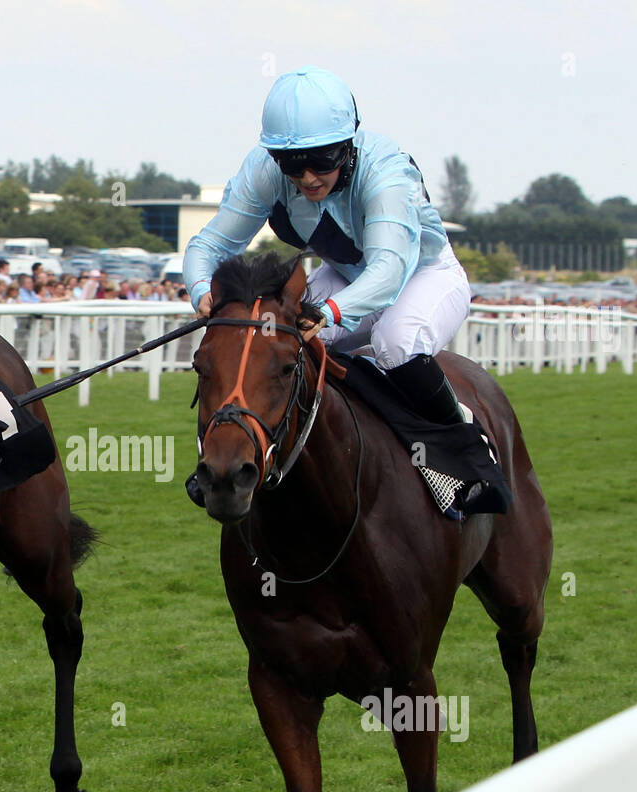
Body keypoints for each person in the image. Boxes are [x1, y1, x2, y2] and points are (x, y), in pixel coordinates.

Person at [183, 65, 495, 515]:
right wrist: (200, 290)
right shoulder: (264, 170)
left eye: (323, 159)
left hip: (424, 276)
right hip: (347, 277)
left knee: (395, 343)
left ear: (348, 146)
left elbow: (388, 270)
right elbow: (209, 244)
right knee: (275, 346)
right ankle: (244, 459)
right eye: (294, 163)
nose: (308, 176)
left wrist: (328, 311)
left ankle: (465, 454)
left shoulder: (385, 172)